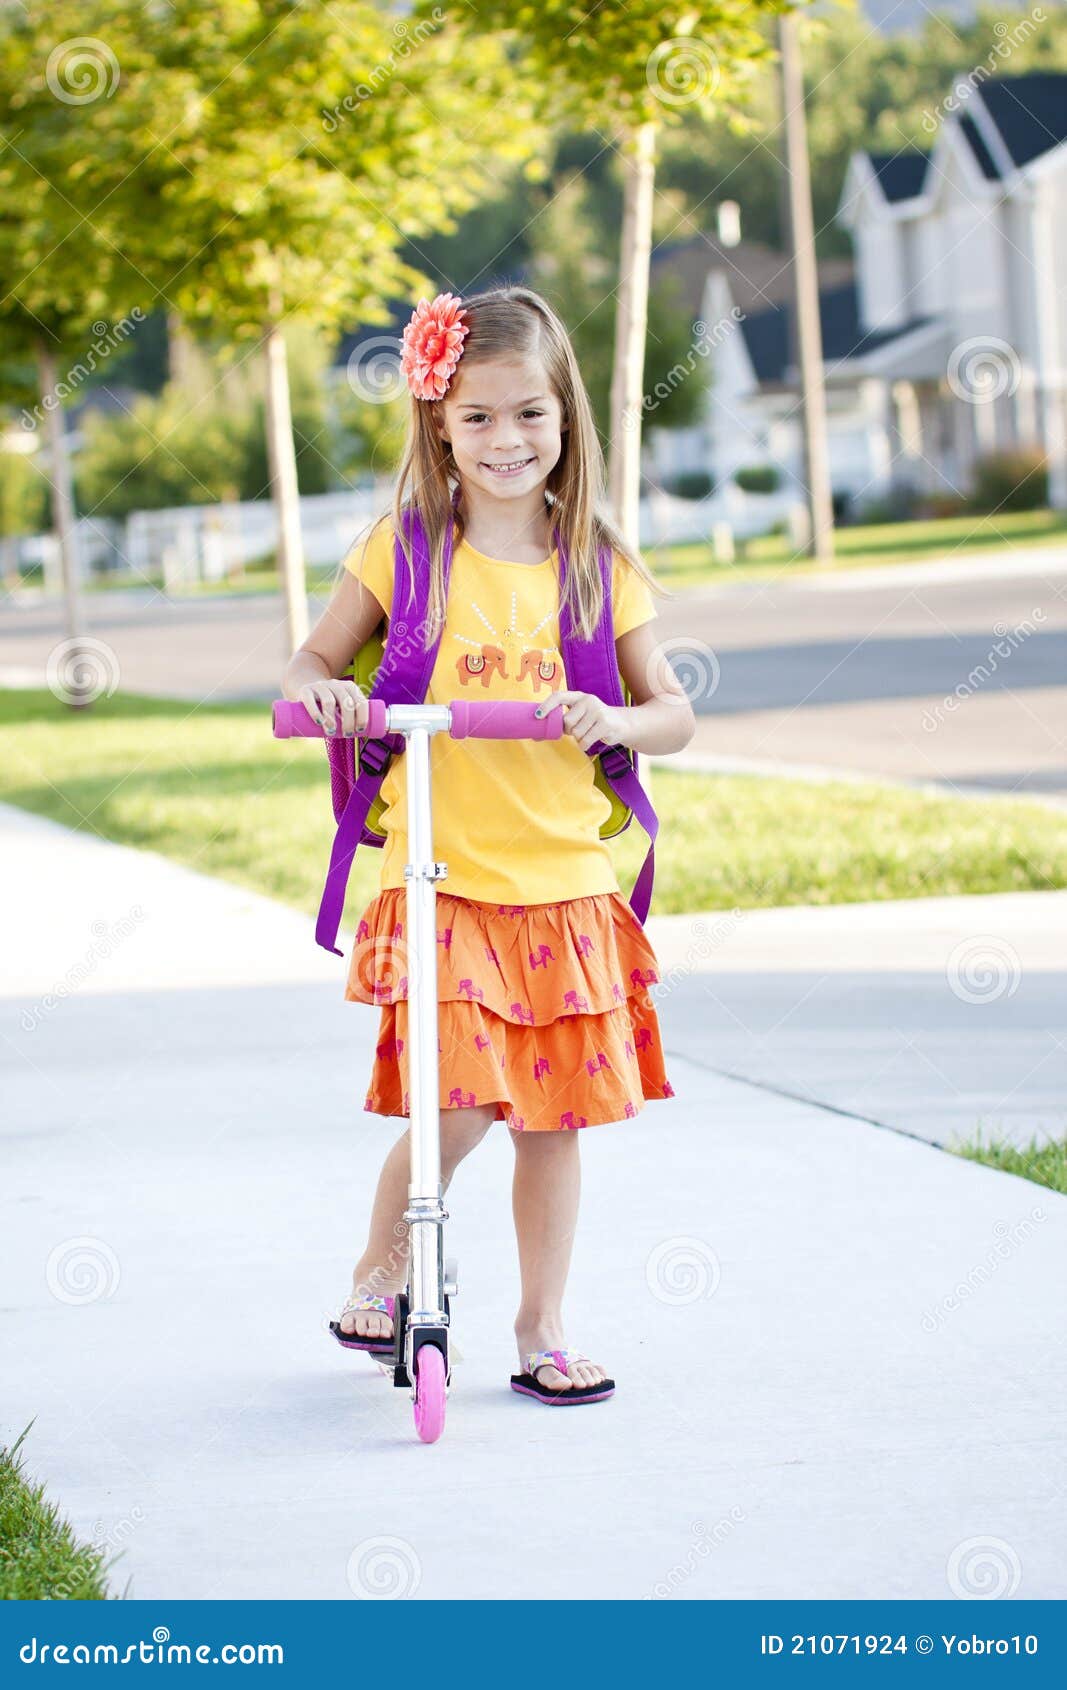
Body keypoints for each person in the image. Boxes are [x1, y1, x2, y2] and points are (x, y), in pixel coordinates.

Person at [282, 284, 696, 1404]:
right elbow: (309, 664)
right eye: (476, 418)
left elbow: (672, 708)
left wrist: (617, 720)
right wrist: (322, 697)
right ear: (437, 424)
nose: (505, 440)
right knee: (455, 1099)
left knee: (554, 1124)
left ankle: (541, 1325)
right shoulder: (401, 553)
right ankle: (381, 1265)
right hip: (443, 882)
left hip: (562, 887)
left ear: (565, 418)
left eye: (529, 414)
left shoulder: (595, 563)